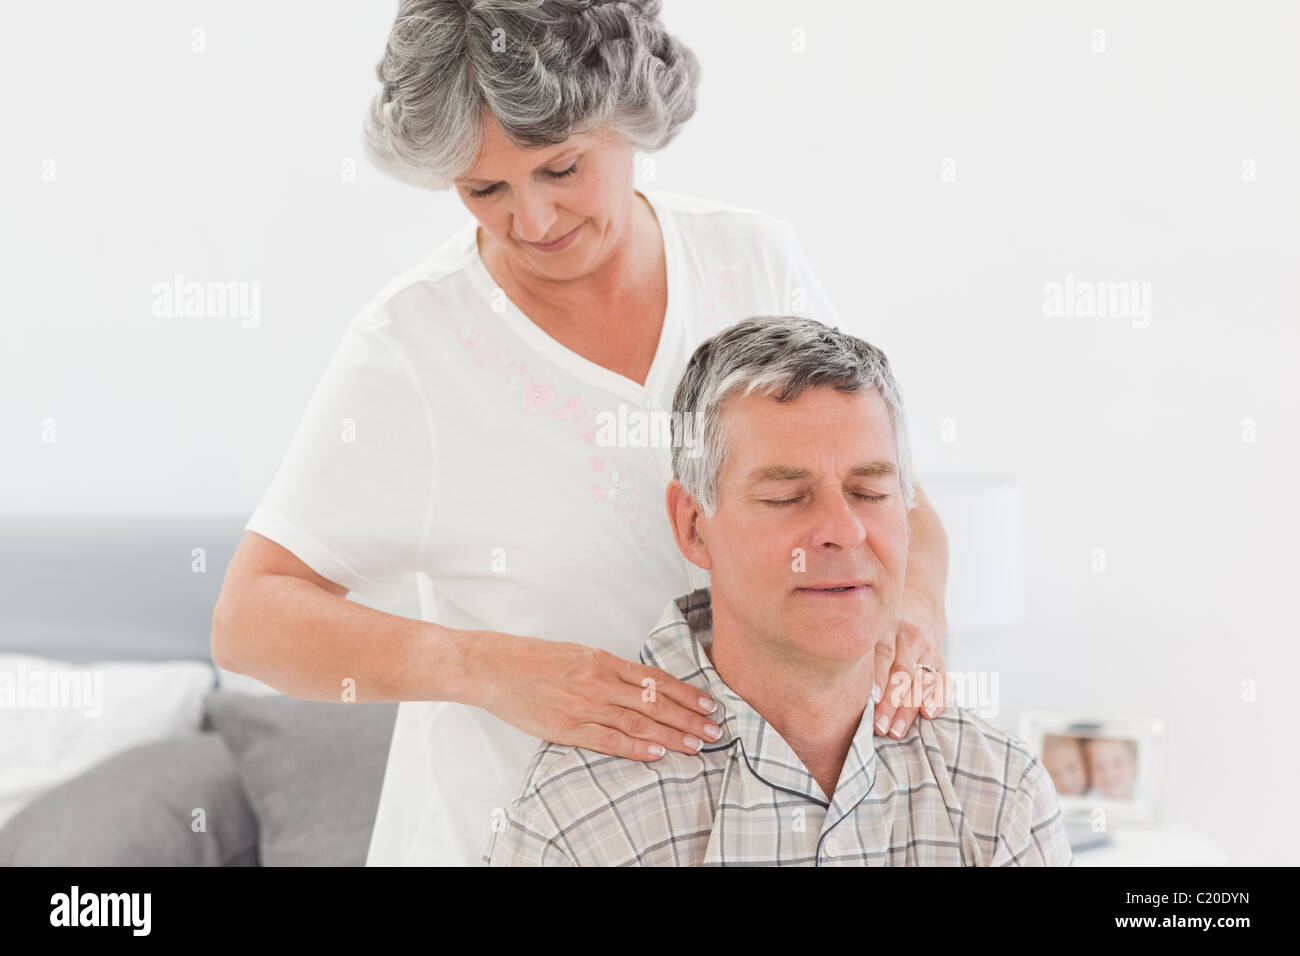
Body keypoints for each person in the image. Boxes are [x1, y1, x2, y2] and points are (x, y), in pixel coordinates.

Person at [211, 0, 953, 867]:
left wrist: (915, 614)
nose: (533, 220)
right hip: (509, 836)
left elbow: (898, 502)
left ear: (627, 115)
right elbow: (248, 620)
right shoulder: (414, 349)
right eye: (484, 189)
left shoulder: (753, 265)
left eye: (560, 168)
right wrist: (486, 668)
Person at [485, 316, 1071, 866]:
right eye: (786, 498)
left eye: (869, 492)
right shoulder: (580, 821)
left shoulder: (998, 791)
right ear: (693, 526)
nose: (844, 531)